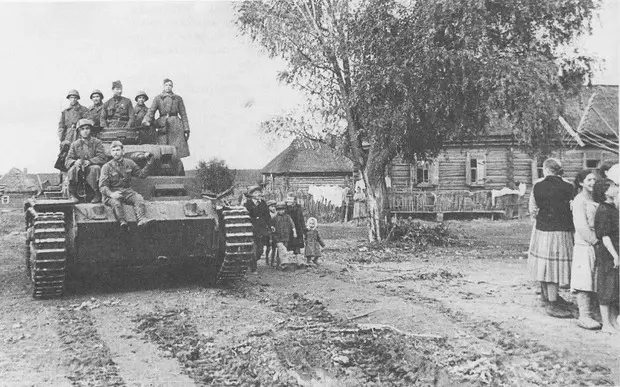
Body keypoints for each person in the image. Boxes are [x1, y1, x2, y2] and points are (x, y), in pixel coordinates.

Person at [527, 158, 575, 318]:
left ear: (545, 170)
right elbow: (572, 208)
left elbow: (532, 208)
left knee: (545, 263)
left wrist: (538, 220)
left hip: (542, 229)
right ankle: (552, 303)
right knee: (554, 265)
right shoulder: (569, 186)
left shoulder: (538, 185)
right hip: (562, 230)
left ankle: (547, 297)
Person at [99, 141, 155, 230]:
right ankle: (122, 222)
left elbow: (141, 175)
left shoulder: (129, 163)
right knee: (116, 203)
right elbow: (102, 186)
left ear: (123, 151)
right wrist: (111, 194)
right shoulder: (106, 167)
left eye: (118, 150)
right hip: (111, 193)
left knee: (139, 198)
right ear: (111, 153)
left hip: (127, 191)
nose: (116, 152)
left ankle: (142, 219)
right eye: (113, 150)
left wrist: (149, 164)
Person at [570, 170, 601, 330]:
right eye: (589, 180)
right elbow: (581, 226)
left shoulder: (596, 198)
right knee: (584, 278)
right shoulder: (579, 200)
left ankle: (596, 312)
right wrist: (594, 241)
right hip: (585, 244)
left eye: (594, 179)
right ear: (581, 183)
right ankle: (584, 315)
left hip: (598, 242)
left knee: (596, 277)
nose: (592, 182)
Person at [593, 178, 620, 333]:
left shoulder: (612, 207)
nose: (616, 188)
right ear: (605, 192)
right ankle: (606, 324)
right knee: (606, 286)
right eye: (613, 186)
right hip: (608, 253)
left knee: (615, 286)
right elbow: (604, 236)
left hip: (615, 250)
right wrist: (615, 255)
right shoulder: (603, 210)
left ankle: (613, 321)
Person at [142, 78, 191, 158]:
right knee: (163, 150)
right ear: (163, 86)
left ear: (172, 87)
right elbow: (151, 111)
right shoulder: (158, 98)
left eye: (170, 85)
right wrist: (146, 121)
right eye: (166, 85)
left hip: (176, 126)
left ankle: (177, 169)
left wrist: (186, 128)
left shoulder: (178, 98)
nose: (168, 87)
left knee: (177, 152)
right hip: (163, 125)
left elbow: (183, 114)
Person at [65, 119, 106, 203]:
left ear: (90, 130)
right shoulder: (75, 144)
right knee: (73, 169)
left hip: (92, 167)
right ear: (79, 131)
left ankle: (96, 193)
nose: (85, 131)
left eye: (87, 128)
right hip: (80, 169)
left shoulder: (97, 142)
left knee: (95, 168)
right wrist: (74, 162)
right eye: (82, 129)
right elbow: (68, 160)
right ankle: (73, 194)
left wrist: (90, 161)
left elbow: (102, 157)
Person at [244, 186, 270, 274]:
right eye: (255, 193)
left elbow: (267, 216)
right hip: (251, 229)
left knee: (260, 250)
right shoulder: (247, 204)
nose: (258, 194)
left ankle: (252, 261)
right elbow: (245, 216)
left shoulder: (263, 203)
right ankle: (253, 268)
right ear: (251, 195)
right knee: (253, 249)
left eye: (259, 192)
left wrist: (270, 226)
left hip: (261, 229)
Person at [272, 202, 297, 270]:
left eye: (282, 209)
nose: (281, 211)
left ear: (285, 210)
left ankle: (284, 264)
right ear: (277, 210)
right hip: (278, 236)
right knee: (280, 250)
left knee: (285, 250)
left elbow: (292, 224)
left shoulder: (287, 217)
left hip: (286, 236)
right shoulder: (275, 218)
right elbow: (272, 226)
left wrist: (294, 232)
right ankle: (278, 264)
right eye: (279, 210)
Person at [285, 193, 306, 266]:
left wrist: (303, 228)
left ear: (294, 200)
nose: (288, 200)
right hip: (287, 229)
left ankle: (299, 262)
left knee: (297, 245)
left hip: (297, 228)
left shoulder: (298, 208)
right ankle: (284, 262)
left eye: (290, 199)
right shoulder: (284, 208)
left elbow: (301, 219)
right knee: (285, 245)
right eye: (288, 199)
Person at [266, 199, 278, 267]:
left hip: (275, 232)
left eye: (274, 206)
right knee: (268, 246)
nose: (273, 208)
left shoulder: (276, 214)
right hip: (269, 232)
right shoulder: (267, 215)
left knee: (274, 247)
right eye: (271, 206)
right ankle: (267, 258)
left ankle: (272, 261)